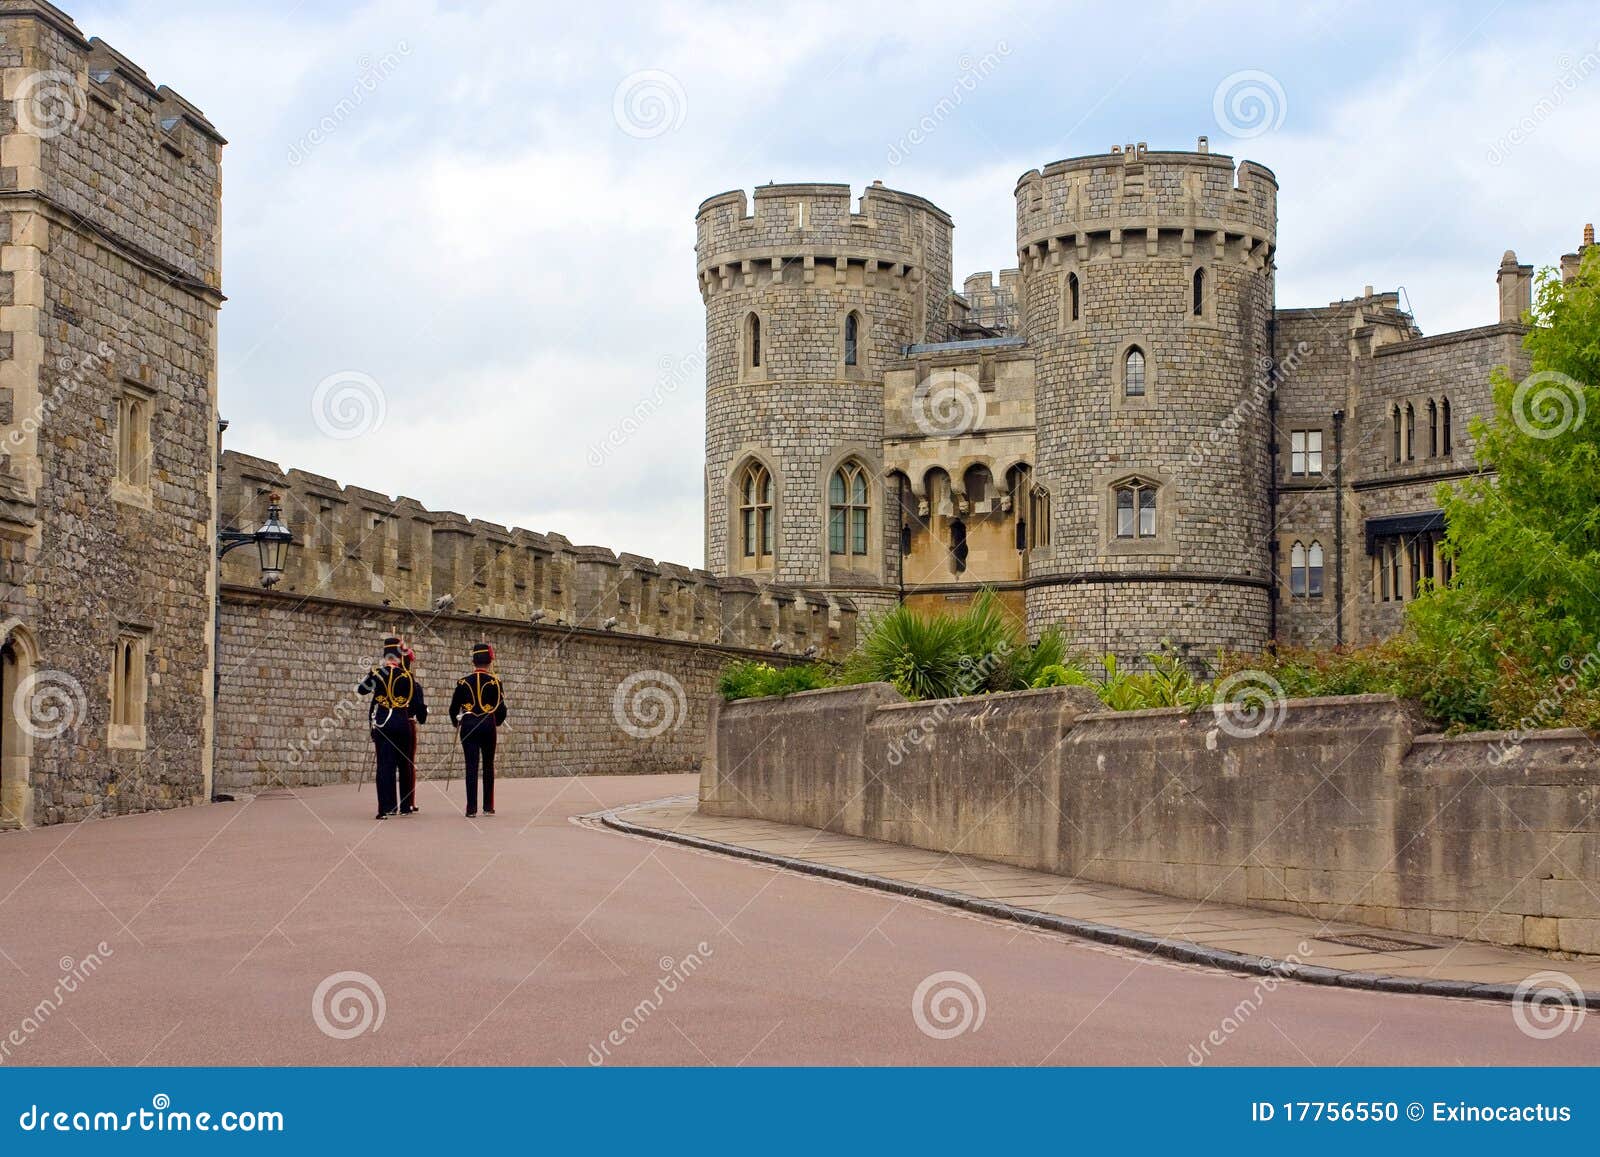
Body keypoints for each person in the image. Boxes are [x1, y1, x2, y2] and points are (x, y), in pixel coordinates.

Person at [358, 635, 428, 820]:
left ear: (385, 655)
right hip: (402, 723)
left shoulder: (377, 673)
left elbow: (361, 690)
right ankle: (405, 805)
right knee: (404, 765)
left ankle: (386, 806)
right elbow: (416, 704)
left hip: (382, 724)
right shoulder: (408, 677)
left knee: (384, 767)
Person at [448, 642, 507, 818]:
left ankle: (471, 808)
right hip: (488, 724)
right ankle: (488, 806)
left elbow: (453, 708)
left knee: (471, 766)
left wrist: (455, 722)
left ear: (473, 661)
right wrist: (496, 722)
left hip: (468, 725)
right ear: (489, 662)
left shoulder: (462, 682)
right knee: (488, 766)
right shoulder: (496, 682)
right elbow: (502, 710)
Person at [398, 643, 421, 815]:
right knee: (408, 764)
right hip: (407, 724)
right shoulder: (414, 684)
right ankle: (408, 803)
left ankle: (389, 803)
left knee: (388, 765)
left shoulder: (384, 680)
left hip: (386, 724)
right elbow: (419, 707)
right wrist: (423, 715)